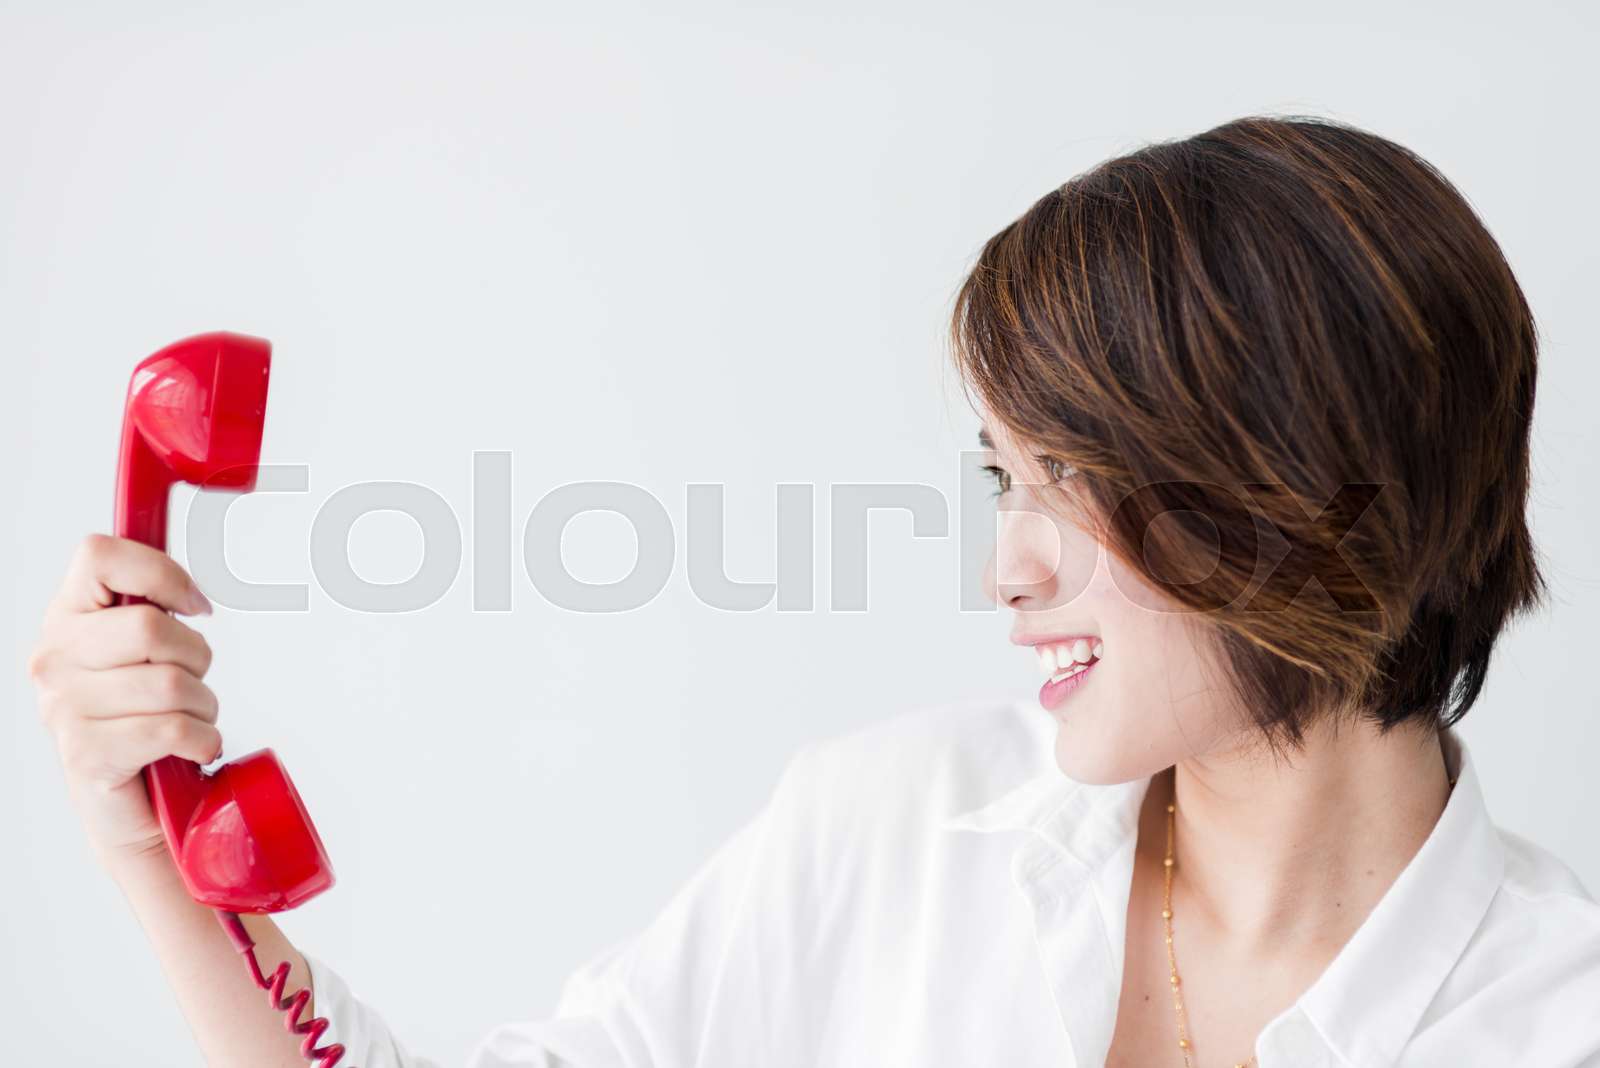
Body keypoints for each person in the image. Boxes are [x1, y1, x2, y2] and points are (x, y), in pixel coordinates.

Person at [29, 114, 1600, 1068]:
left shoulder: (1560, 1015)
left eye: (1080, 478)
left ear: (1304, 487)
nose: (1010, 567)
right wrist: (151, 842)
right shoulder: (894, 832)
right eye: (1006, 478)